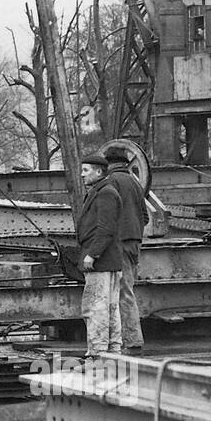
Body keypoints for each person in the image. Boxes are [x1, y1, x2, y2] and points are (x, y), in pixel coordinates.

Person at [76, 152, 124, 357]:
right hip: (109, 260)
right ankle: (112, 349)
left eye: (85, 170)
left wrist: (92, 254)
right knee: (110, 307)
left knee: (96, 306)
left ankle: (97, 351)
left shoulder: (105, 193)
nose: (81, 174)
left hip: (101, 261)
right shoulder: (104, 191)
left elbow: (105, 228)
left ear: (98, 171)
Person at [105, 146, 149, 353]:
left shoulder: (110, 182)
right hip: (134, 242)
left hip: (119, 242)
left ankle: (132, 340)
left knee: (122, 293)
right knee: (126, 289)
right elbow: (145, 216)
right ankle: (125, 338)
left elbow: (107, 217)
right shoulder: (134, 182)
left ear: (108, 163)